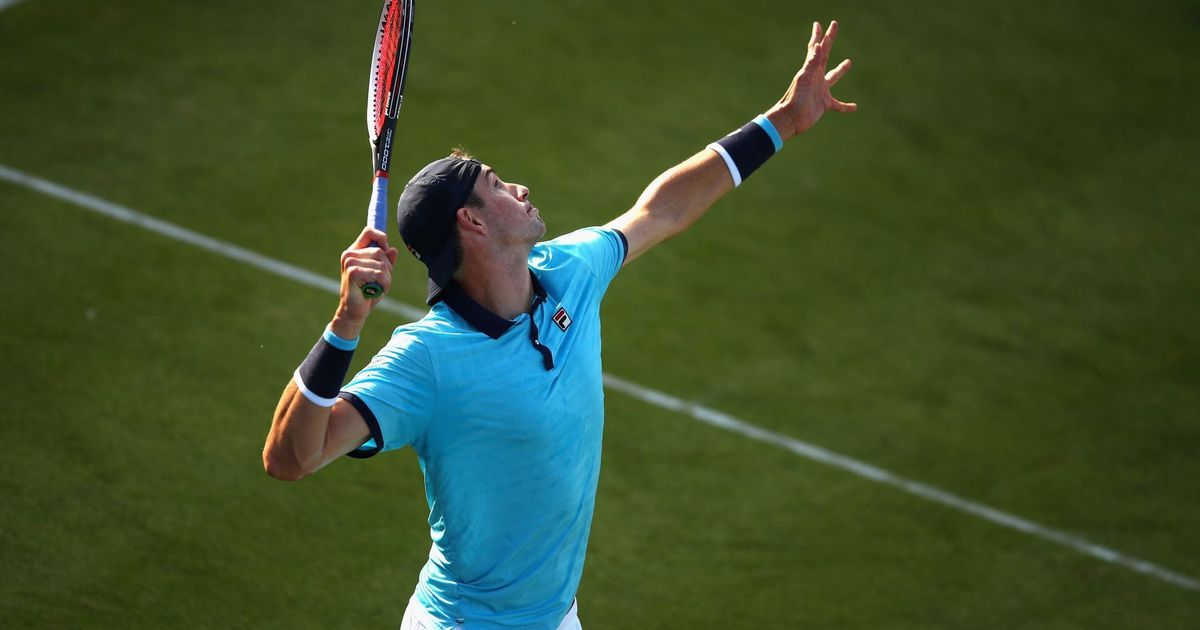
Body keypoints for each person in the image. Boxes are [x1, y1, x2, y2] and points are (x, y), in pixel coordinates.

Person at [262, 20, 856, 630]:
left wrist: (784, 121)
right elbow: (291, 457)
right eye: (497, 185)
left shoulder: (569, 269)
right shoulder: (428, 359)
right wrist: (346, 322)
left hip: (556, 618)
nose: (519, 186)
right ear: (471, 223)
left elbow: (664, 208)